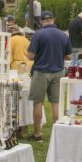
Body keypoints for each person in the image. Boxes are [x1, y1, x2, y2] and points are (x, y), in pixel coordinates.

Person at [26, 11, 71, 141]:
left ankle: (38, 133)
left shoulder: (38, 34)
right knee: (56, 103)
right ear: (53, 20)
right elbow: (68, 55)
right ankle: (57, 133)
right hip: (58, 71)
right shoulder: (63, 35)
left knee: (38, 103)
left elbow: (30, 56)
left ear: (41, 21)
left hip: (41, 71)